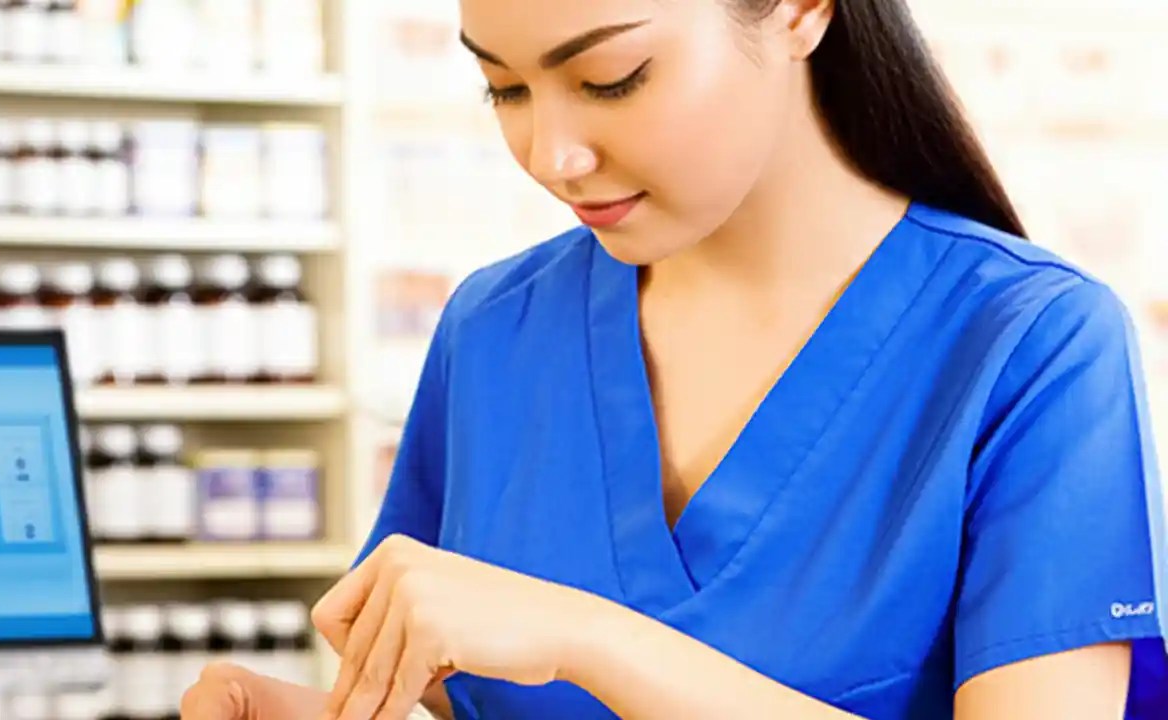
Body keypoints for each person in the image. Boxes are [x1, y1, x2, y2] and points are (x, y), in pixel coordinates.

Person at [181, 0, 1167, 718]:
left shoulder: (1029, 344)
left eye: (610, 79)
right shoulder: (493, 330)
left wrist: (588, 639)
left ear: (797, 12)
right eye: (505, 88)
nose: (550, 153)